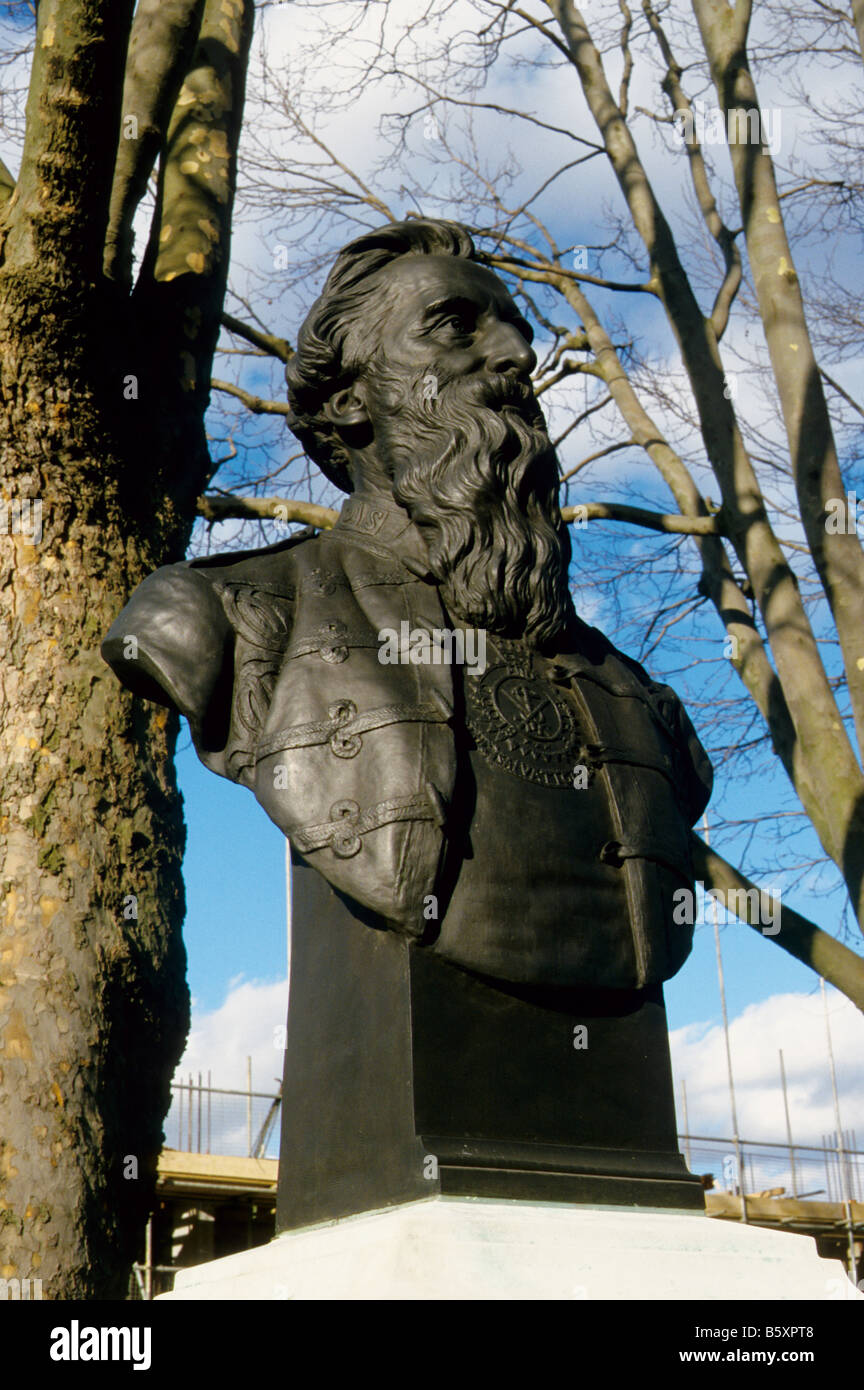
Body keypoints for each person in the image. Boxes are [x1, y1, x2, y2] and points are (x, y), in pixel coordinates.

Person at [102, 218, 712, 993]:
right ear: (354, 400)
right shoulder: (222, 614)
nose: (518, 356)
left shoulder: (642, 701)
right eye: (456, 325)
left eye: (518, 333)